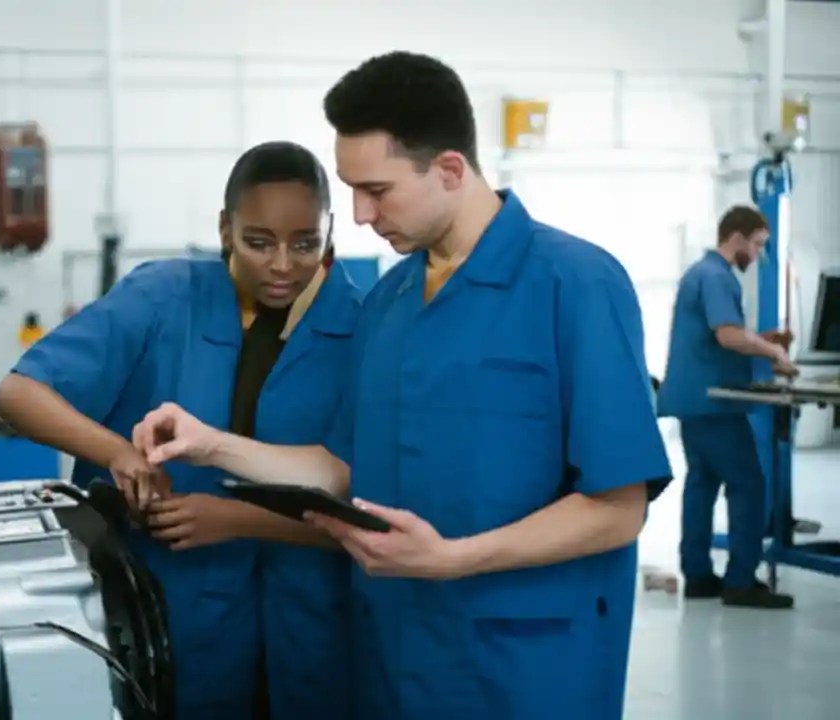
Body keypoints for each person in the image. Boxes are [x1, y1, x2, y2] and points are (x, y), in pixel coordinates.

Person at [130, 52, 673, 719]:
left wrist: (454, 559)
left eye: (376, 190)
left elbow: (619, 508)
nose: (358, 214)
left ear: (449, 169)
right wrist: (208, 444)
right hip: (393, 658)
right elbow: (339, 468)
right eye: (351, 188)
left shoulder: (576, 285)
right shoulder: (389, 302)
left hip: (526, 667)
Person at [0, 141, 358, 720]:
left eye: (305, 243)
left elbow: (373, 510)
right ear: (225, 227)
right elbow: (18, 394)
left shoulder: (362, 328)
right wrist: (120, 455)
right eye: (258, 242)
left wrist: (235, 520)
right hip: (165, 617)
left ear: (330, 229)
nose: (283, 264)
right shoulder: (164, 297)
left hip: (312, 631)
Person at [656, 205, 797, 609]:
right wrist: (771, 349)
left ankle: (698, 574)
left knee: (702, 483)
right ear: (736, 236)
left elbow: (716, 335)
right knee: (749, 484)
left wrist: (763, 339)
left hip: (693, 399)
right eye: (757, 245)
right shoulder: (717, 276)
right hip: (714, 401)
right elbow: (728, 336)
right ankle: (740, 582)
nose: (757, 255)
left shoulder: (699, 274)